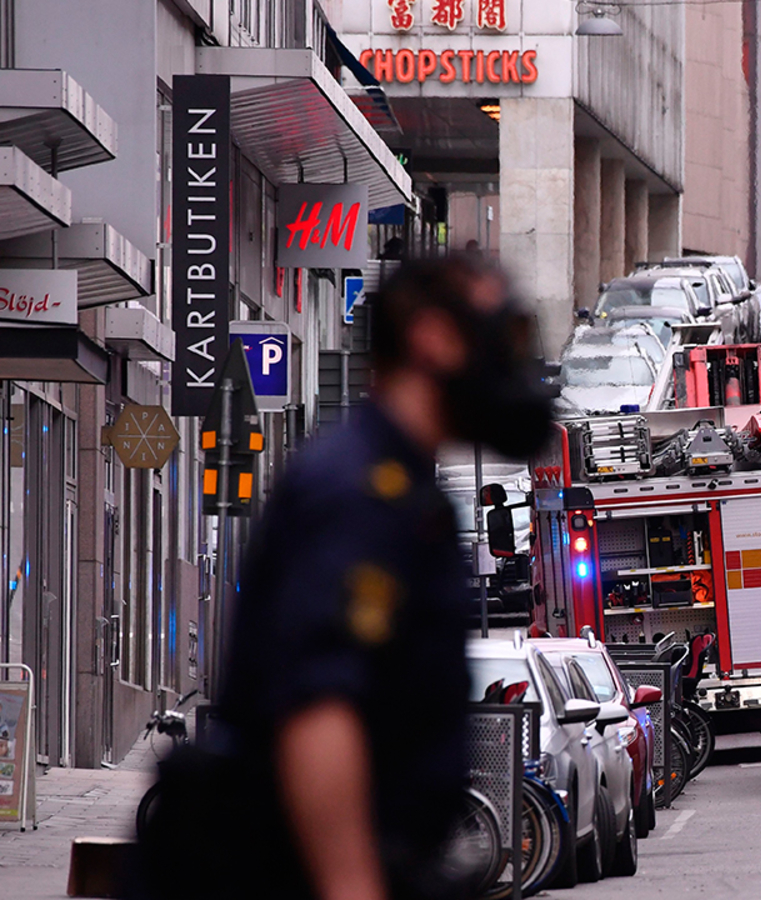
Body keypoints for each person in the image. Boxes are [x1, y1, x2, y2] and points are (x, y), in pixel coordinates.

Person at [168, 257, 553, 900]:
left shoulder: (401, 489)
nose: (510, 367)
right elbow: (320, 707)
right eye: (499, 339)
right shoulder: (361, 492)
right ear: (433, 338)